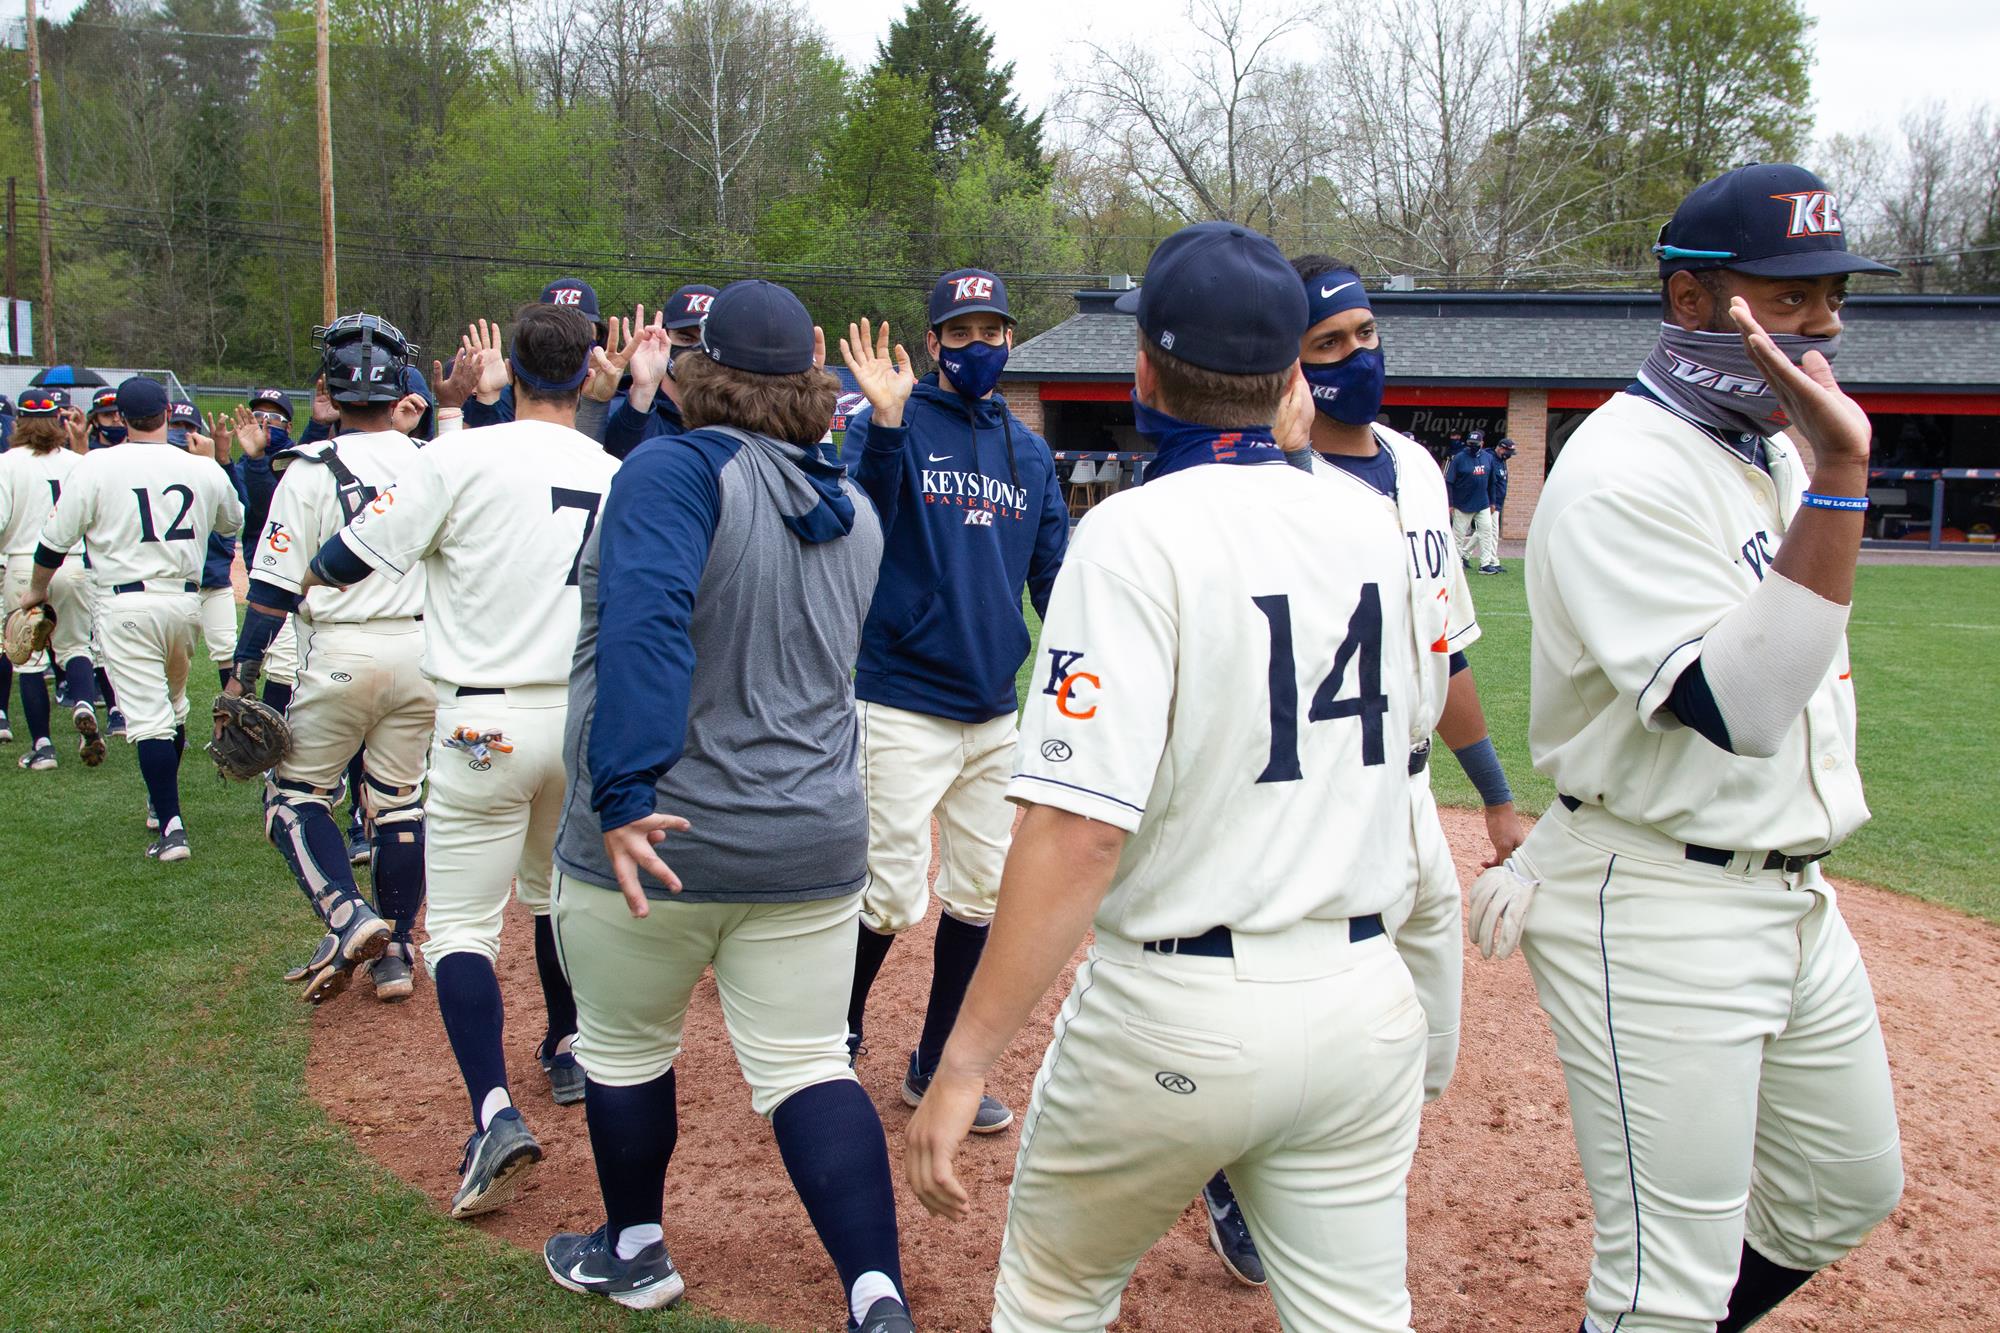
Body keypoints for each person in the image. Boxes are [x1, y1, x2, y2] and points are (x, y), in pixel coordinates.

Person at [904, 222, 1430, 1332]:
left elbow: (1076, 830)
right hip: (1363, 1001)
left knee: (1052, 1300)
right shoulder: (1372, 518)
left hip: (1179, 1005)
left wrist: (962, 1062)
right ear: (1293, 374)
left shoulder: (1132, 533)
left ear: (1141, 371)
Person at [1472, 163, 1905, 1333]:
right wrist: (1844, 481)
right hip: (1659, 891)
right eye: (1791, 292)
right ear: (1688, 300)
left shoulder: (1760, 447)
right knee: (1662, 1279)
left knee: (1842, 1190)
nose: (1822, 321)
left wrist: (1818, 475)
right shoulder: (1621, 466)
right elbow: (1742, 708)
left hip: (1789, 892)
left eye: (1832, 291)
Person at [545, 280, 912, 1331]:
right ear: (811, 389)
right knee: (806, 1063)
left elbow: (649, 626)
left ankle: (634, 1249)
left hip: (661, 832)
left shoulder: (671, 464)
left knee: (621, 1047)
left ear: (699, 375)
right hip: (810, 834)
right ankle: (875, 1294)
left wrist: (623, 786)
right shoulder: (851, 506)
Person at [1185, 255, 1527, 1290]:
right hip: (1312, 792)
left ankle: (1307, 1174)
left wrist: (1499, 796)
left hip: (1409, 788)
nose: (1355, 357)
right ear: (1285, 365)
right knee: (1305, 1004)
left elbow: (1444, 652)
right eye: (1327, 344)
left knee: (1424, 1038)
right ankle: (1241, 1175)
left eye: (1364, 334)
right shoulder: (1260, 484)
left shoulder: (1417, 470)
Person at [301, 302, 619, 1216]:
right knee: (559, 894)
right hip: (583, 716)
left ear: (508, 370)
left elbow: (343, 556)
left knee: (464, 930)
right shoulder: (612, 465)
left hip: (484, 717)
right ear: (588, 370)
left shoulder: (459, 454)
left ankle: (492, 1113)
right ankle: (570, 1046)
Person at [835, 267, 1067, 1136]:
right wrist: (888, 426)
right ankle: (835, 1036)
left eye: (993, 330)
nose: (979, 345)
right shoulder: (887, 419)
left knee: (979, 894)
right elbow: (857, 521)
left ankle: (933, 1062)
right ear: (932, 343)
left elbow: (1056, 579)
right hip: (899, 696)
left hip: (991, 706)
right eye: (961, 332)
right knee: (891, 895)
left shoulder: (1028, 449)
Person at [228, 314, 432, 1003]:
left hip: (345, 647)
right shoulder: (432, 461)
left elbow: (273, 587)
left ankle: (348, 915)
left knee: (292, 799)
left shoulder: (311, 469)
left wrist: (241, 673)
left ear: (328, 389)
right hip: (425, 652)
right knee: (399, 804)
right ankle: (398, 953)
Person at [26, 376, 242, 859]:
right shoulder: (200, 468)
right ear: (167, 412)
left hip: (124, 604)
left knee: (148, 719)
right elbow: (234, 522)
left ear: (120, 419)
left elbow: (55, 541)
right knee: (175, 705)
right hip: (185, 603)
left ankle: (171, 827)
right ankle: (158, 803)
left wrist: (38, 590)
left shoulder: (97, 464)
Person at [0, 389, 103, 769]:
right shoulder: (78, 463)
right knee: (76, 647)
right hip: (72, 563)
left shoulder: (7, 463)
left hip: (24, 563)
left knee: (27, 660)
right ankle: (81, 702)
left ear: (18, 422)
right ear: (60, 420)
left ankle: (43, 747)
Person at [229, 388, 303, 714]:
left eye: (274, 418)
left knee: (285, 663)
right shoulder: (248, 465)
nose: (263, 422)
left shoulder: (304, 459)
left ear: (288, 427)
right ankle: (263, 738)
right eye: (258, 416)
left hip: (302, 578)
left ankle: (273, 743)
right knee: (274, 660)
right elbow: (261, 508)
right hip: (266, 576)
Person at [169, 399, 249, 690]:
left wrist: (221, 460)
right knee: (173, 657)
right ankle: (175, 729)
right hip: (175, 580)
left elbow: (240, 511)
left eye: (187, 427)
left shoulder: (213, 468)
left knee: (228, 649)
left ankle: (230, 728)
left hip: (213, 576)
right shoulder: (159, 470)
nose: (182, 433)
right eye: (176, 426)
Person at [1444, 428, 1503, 574]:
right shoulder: (1459, 458)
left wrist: (1492, 502)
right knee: (1458, 536)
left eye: (1476, 443)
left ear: (1482, 443)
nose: (1473, 445)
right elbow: (1449, 482)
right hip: (1462, 504)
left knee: (1486, 532)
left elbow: (1492, 482)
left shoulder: (1487, 458)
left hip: (1482, 502)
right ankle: (1457, 564)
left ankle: (1485, 564)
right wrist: (1450, 504)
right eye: (1471, 443)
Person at [1492, 436, 1515, 528]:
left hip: (1499, 502)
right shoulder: (1490, 459)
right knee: (1492, 531)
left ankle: (1470, 543)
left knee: (1484, 531)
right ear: (1501, 449)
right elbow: (1490, 484)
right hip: (1492, 503)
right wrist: (1492, 502)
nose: (1509, 455)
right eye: (1508, 452)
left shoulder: (1502, 460)